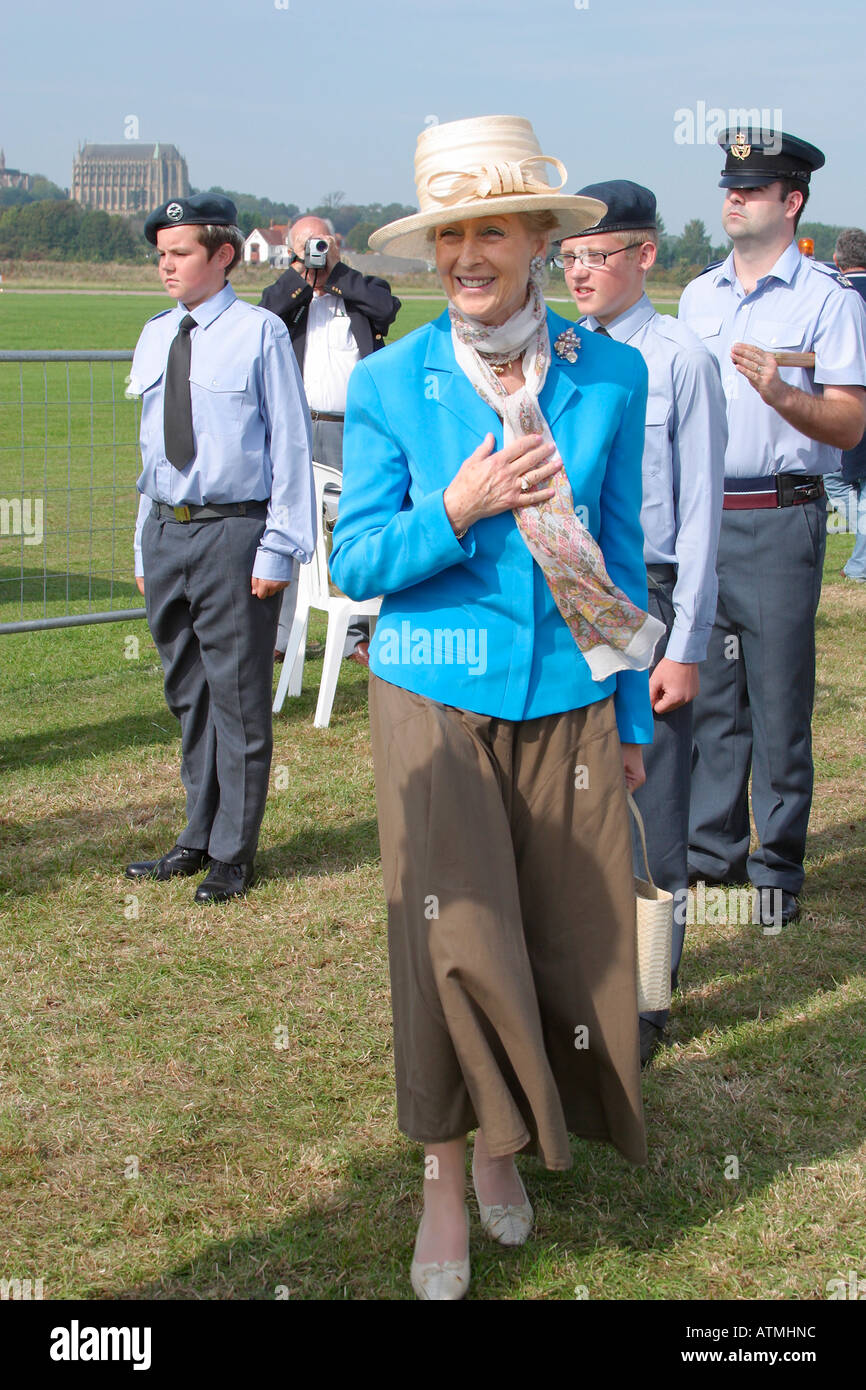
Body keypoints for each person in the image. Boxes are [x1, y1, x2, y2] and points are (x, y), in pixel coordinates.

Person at [330, 115, 664, 1300]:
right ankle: (442, 1177)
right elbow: (356, 560)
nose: (469, 254)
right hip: (433, 699)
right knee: (449, 946)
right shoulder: (388, 382)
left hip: (570, 694)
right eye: (450, 234)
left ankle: (505, 1144)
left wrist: (628, 722)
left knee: (565, 936)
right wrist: (458, 507)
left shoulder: (610, 371)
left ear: (536, 239)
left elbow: (618, 548)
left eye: (492, 230)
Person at [678, 129, 866, 927]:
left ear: (791, 202)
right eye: (729, 186)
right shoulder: (697, 296)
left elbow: (851, 424)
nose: (733, 198)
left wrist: (783, 394)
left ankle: (777, 869)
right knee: (713, 700)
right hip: (705, 517)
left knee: (780, 700)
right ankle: (711, 856)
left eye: (751, 189)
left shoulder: (829, 299)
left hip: (782, 515)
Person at [559, 179, 726, 1066]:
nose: (580, 273)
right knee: (573, 790)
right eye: (571, 256)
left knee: (652, 802)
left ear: (646, 255)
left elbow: (700, 517)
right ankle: (581, 977)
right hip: (570, 588)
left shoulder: (680, 359)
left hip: (649, 598)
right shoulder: (557, 353)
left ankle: (648, 998)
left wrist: (687, 644)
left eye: (599, 255)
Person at [126, 193, 315, 903]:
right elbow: (150, 450)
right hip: (167, 531)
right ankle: (197, 834)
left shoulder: (259, 333)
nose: (165, 267)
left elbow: (291, 447)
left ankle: (234, 853)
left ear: (223, 256)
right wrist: (144, 547)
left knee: (237, 697)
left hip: (235, 532)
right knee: (188, 692)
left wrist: (278, 550)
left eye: (179, 254)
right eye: (161, 255)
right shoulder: (154, 335)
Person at [261, 215, 401, 664]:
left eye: (323, 245)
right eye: (307, 247)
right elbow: (266, 312)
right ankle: (281, 634)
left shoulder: (358, 292)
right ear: (291, 251)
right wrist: (303, 277)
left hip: (354, 429)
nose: (316, 253)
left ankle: (354, 635)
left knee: (356, 525)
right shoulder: (290, 299)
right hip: (297, 427)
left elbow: (387, 307)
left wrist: (334, 274)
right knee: (288, 525)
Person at [824, 228, 866, 580]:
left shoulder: (834, 296)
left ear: (837, 259)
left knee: (834, 480)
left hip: (845, 403)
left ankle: (860, 557)